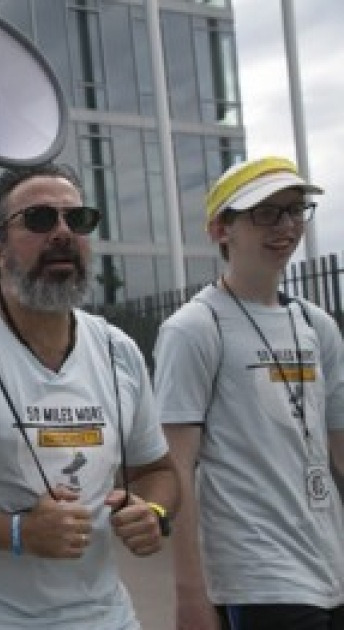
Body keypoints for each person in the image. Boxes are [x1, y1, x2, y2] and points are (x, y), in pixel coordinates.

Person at [0, 163, 179, 629]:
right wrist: (17, 533)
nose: (62, 233)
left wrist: (153, 510)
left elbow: (156, 470)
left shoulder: (116, 349)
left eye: (77, 220)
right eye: (40, 220)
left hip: (107, 617)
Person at [154, 156, 344, 629]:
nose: (285, 226)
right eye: (265, 213)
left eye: (295, 210)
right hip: (255, 580)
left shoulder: (315, 325)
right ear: (221, 230)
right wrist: (189, 596)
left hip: (331, 566)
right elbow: (175, 467)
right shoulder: (195, 328)